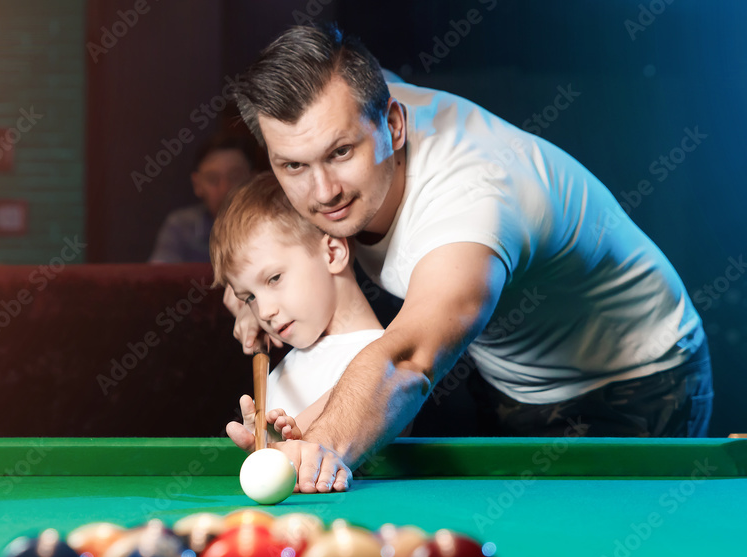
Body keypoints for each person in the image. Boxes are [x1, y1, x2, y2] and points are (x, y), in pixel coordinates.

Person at [223, 23, 713, 493]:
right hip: (509, 379)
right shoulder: (349, 102)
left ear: (394, 124)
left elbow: (409, 360)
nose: (323, 192)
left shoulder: (471, 203)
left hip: (636, 382)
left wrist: (318, 447)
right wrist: (254, 292)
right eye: (293, 165)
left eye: (341, 153)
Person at [211, 172, 385, 459]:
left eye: (274, 278)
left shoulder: (387, 361)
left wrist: (279, 448)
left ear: (332, 253)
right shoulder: (285, 368)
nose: (264, 311)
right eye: (250, 297)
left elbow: (356, 432)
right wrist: (266, 442)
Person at [148, 133, 257, 263]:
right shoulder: (181, 226)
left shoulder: (269, 226)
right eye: (212, 179)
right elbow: (160, 272)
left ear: (253, 180)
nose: (224, 189)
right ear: (197, 184)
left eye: (234, 177)